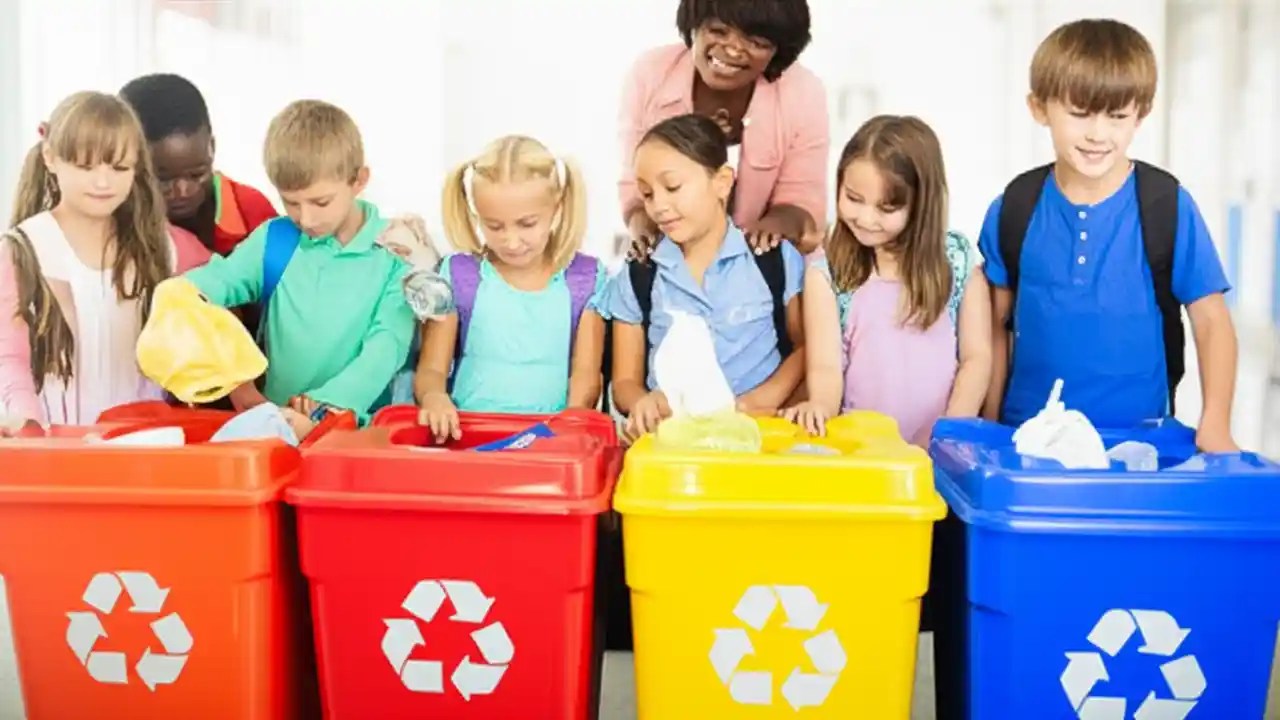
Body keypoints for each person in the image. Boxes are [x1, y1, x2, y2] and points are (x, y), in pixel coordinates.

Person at [979, 19, 1239, 452]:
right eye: (1079, 114)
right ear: (1039, 107)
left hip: (1142, 443)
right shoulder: (1014, 207)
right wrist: (988, 423)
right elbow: (993, 328)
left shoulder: (1166, 205)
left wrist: (1215, 422)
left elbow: (1211, 320)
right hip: (1028, 441)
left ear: (1142, 113)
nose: (1098, 134)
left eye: (1117, 116)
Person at [182, 99, 416, 436]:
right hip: (274, 430)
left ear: (359, 180)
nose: (305, 218)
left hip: (355, 436)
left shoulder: (396, 256)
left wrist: (322, 411)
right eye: (290, 202)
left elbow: (384, 350)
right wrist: (181, 295)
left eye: (321, 202)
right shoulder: (275, 239)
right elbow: (215, 283)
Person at [0, 91, 207, 428]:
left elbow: (227, 310)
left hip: (144, 447)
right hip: (55, 449)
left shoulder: (165, 246)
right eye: (85, 166)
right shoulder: (24, 249)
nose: (102, 182)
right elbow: (10, 357)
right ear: (50, 157)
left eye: (119, 167)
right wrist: (28, 426)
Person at [783, 115, 991, 446]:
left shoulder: (959, 262)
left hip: (941, 459)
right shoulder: (826, 273)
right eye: (853, 198)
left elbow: (976, 358)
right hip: (864, 459)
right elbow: (825, 367)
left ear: (922, 204)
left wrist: (950, 432)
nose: (865, 218)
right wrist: (819, 407)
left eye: (886, 207)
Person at [605, 113, 805, 443]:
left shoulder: (774, 261)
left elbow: (806, 348)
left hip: (762, 443)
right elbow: (624, 382)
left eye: (672, 187)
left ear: (722, 182)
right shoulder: (641, 272)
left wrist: (763, 399)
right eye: (647, 194)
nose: (659, 205)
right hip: (676, 450)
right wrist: (643, 402)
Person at [415, 136, 606, 442]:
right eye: (494, 226)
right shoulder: (460, 275)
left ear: (556, 206)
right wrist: (434, 398)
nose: (511, 241)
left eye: (527, 224)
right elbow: (431, 370)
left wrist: (570, 425)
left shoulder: (586, 279)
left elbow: (586, 375)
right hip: (465, 438)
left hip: (551, 442)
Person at [618, 0, 827, 256]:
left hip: (759, 273)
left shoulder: (803, 92)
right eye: (718, 31)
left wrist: (775, 226)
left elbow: (803, 201)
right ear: (693, 24)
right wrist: (647, 231)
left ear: (778, 50)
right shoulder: (651, 73)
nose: (733, 49)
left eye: (757, 42)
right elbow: (635, 189)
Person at [119, 73, 277, 256]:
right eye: (162, 179)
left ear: (212, 147)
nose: (182, 191)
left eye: (197, 174)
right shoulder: (111, 216)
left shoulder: (250, 211)